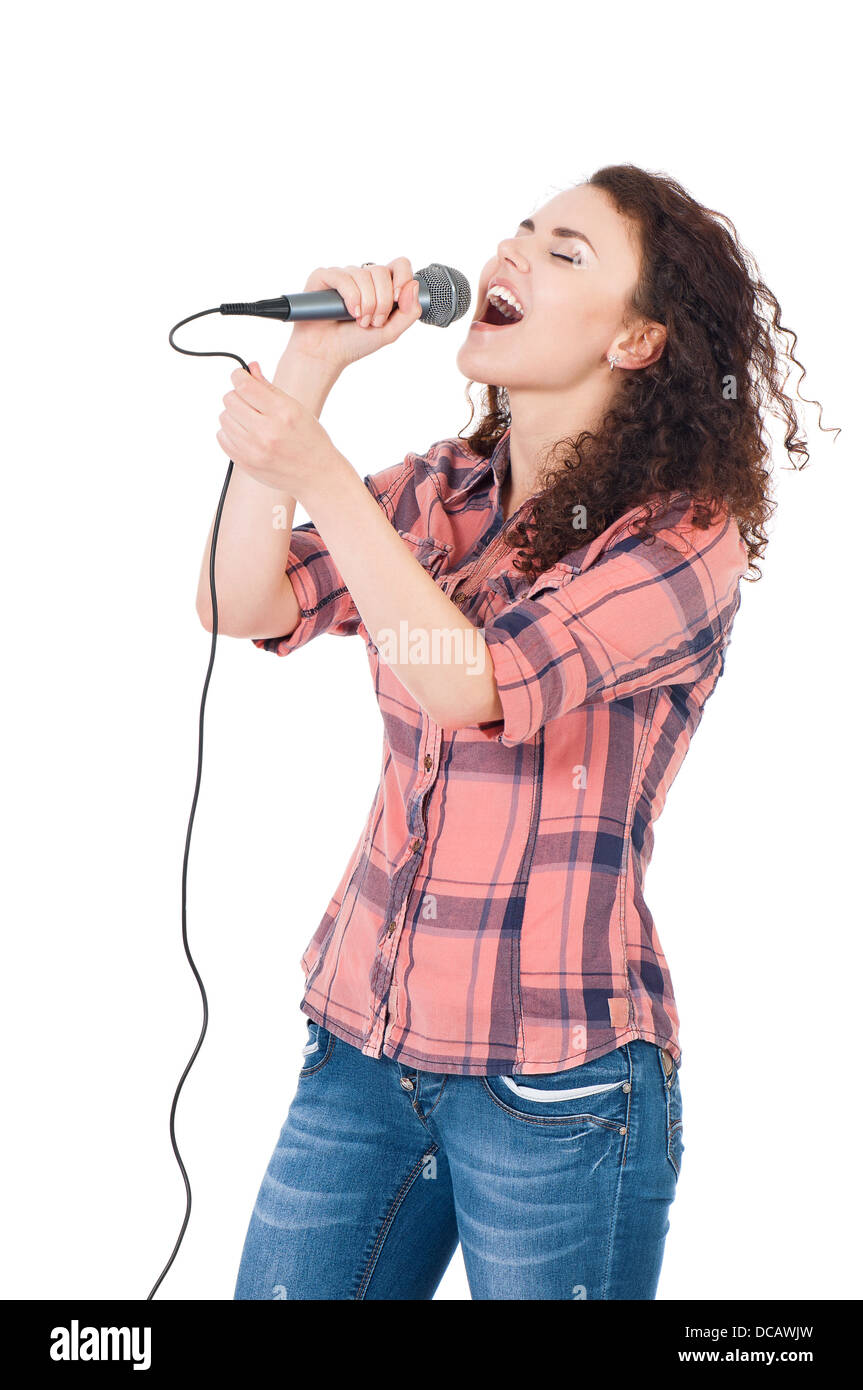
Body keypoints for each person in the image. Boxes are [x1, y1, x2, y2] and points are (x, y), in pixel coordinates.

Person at [197, 164, 827, 1300]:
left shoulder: (683, 539)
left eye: (564, 252)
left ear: (634, 341)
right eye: (521, 231)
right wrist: (312, 367)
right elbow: (237, 600)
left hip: (556, 1089)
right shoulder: (443, 492)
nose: (512, 253)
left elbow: (472, 681)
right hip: (363, 1048)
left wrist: (323, 475)